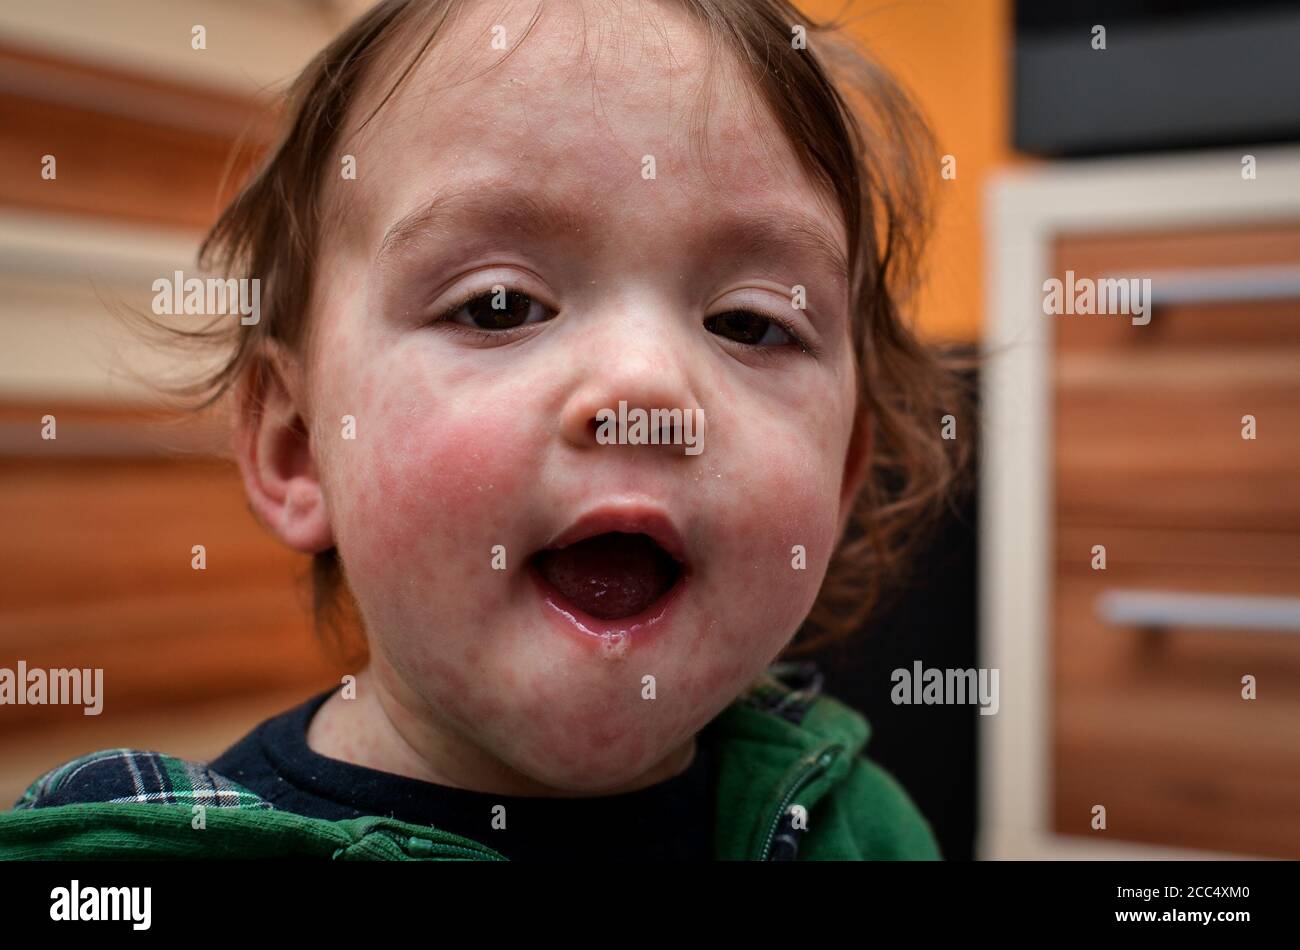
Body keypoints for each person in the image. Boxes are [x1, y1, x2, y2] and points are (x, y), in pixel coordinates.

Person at [1, 0, 968, 861]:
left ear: (841, 480)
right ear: (299, 447)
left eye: (750, 322)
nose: (644, 389)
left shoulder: (863, 823)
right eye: (499, 305)